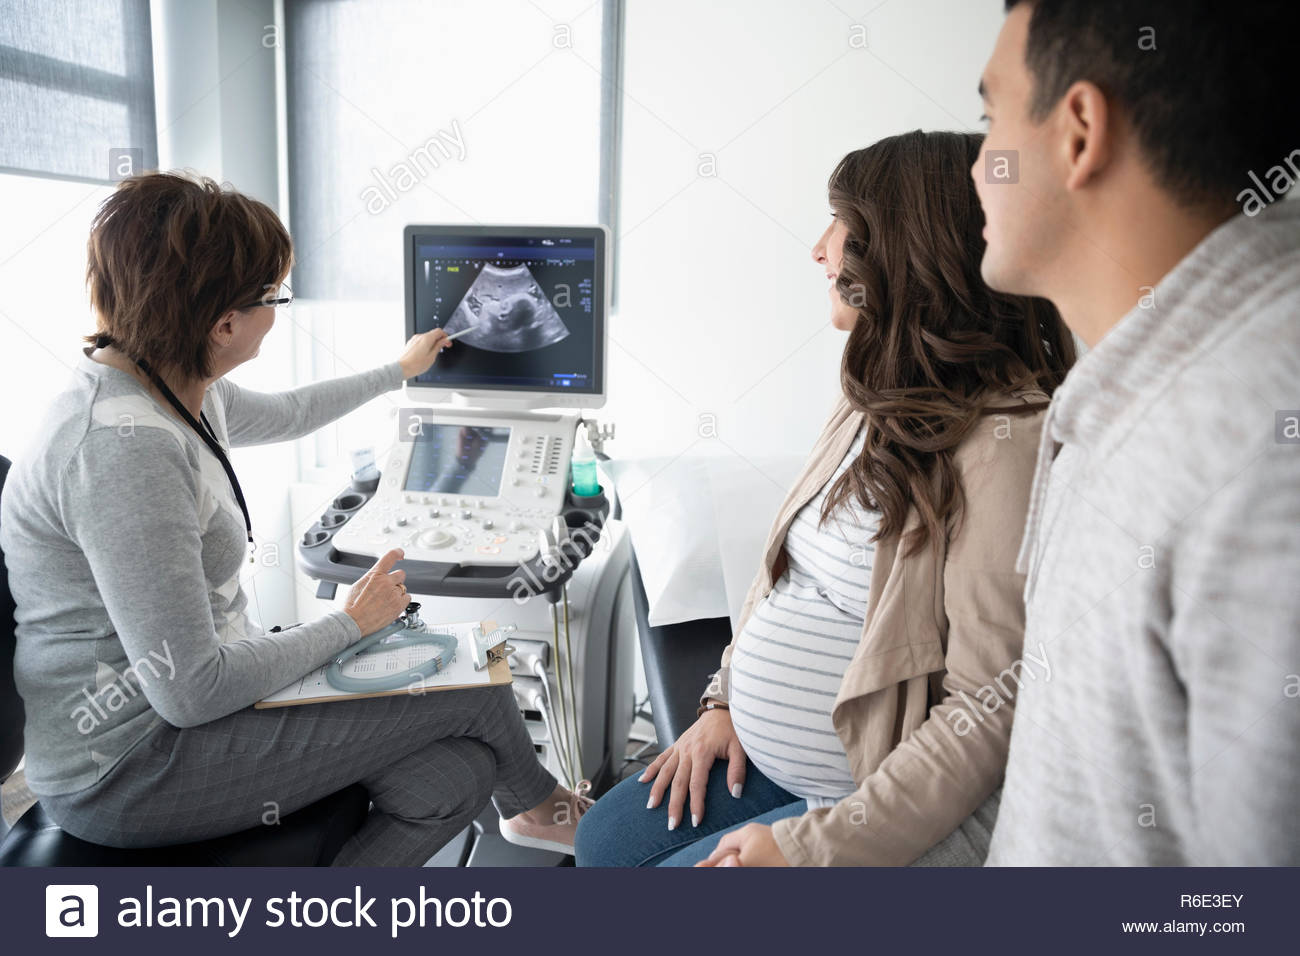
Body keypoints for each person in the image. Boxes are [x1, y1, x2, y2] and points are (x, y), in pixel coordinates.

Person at [0, 172, 586, 865]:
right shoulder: (119, 452)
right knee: (481, 685)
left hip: (190, 711)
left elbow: (292, 412)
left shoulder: (170, 380)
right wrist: (347, 626)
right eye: (273, 297)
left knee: (454, 777)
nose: (277, 311)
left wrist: (401, 369)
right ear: (224, 324)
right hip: (130, 764)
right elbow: (192, 689)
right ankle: (557, 817)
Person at [575, 130, 1075, 867]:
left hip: (862, 806)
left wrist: (812, 850)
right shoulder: (871, 390)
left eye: (840, 227)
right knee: (602, 842)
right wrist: (724, 702)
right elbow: (781, 576)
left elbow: (985, 712)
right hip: (768, 758)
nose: (818, 250)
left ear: (902, 251)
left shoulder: (1005, 446)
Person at [974, 1, 1300, 864]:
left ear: (1078, 130)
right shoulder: (1129, 388)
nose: (974, 164)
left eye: (988, 117)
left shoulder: (1264, 450)